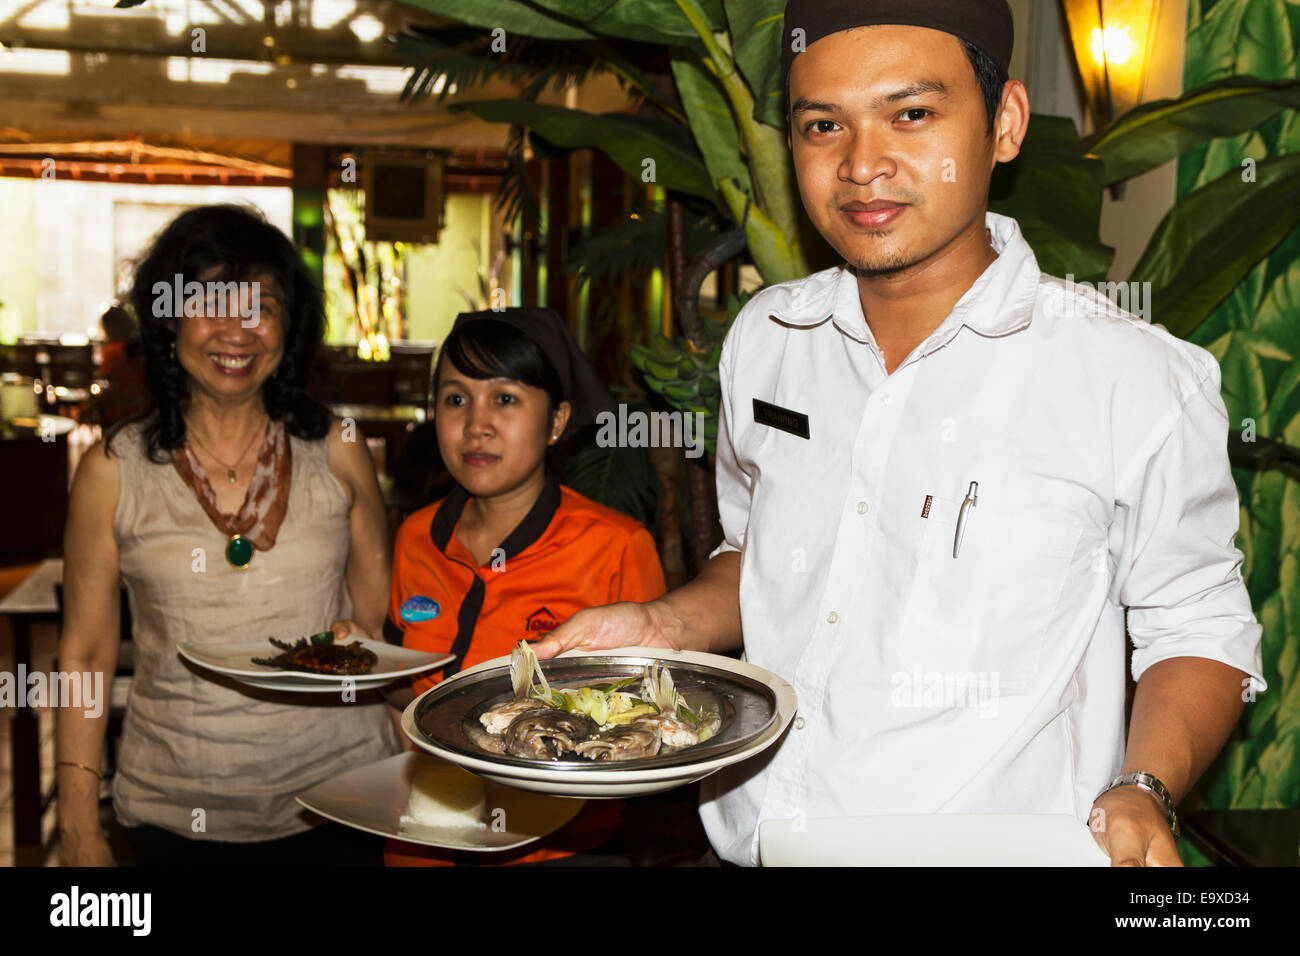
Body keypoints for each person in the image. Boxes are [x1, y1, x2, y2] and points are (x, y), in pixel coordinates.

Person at [534, 0, 1266, 867]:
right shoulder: (769, 339)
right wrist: (665, 625)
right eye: (822, 125)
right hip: (760, 847)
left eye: (912, 114)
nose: (861, 165)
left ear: (1005, 125)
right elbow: (756, 556)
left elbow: (1198, 629)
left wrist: (1143, 788)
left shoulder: (1132, 375)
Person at [57, 203, 399, 866]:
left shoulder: (339, 448)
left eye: (261, 306)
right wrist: (77, 826)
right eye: (210, 302)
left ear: (287, 325)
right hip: (176, 808)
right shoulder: (114, 469)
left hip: (343, 798)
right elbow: (84, 655)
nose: (237, 331)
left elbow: (381, 631)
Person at [333, 307, 667, 866]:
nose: (475, 424)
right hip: (425, 844)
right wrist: (365, 662)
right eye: (455, 399)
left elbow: (653, 726)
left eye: (505, 399)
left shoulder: (616, 546)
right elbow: (411, 697)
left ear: (557, 420)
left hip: (563, 849)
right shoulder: (417, 536)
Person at [95, 304, 151, 429]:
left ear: (110, 327)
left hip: (118, 413)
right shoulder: (140, 347)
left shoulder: (113, 352)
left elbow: (107, 384)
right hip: (143, 410)